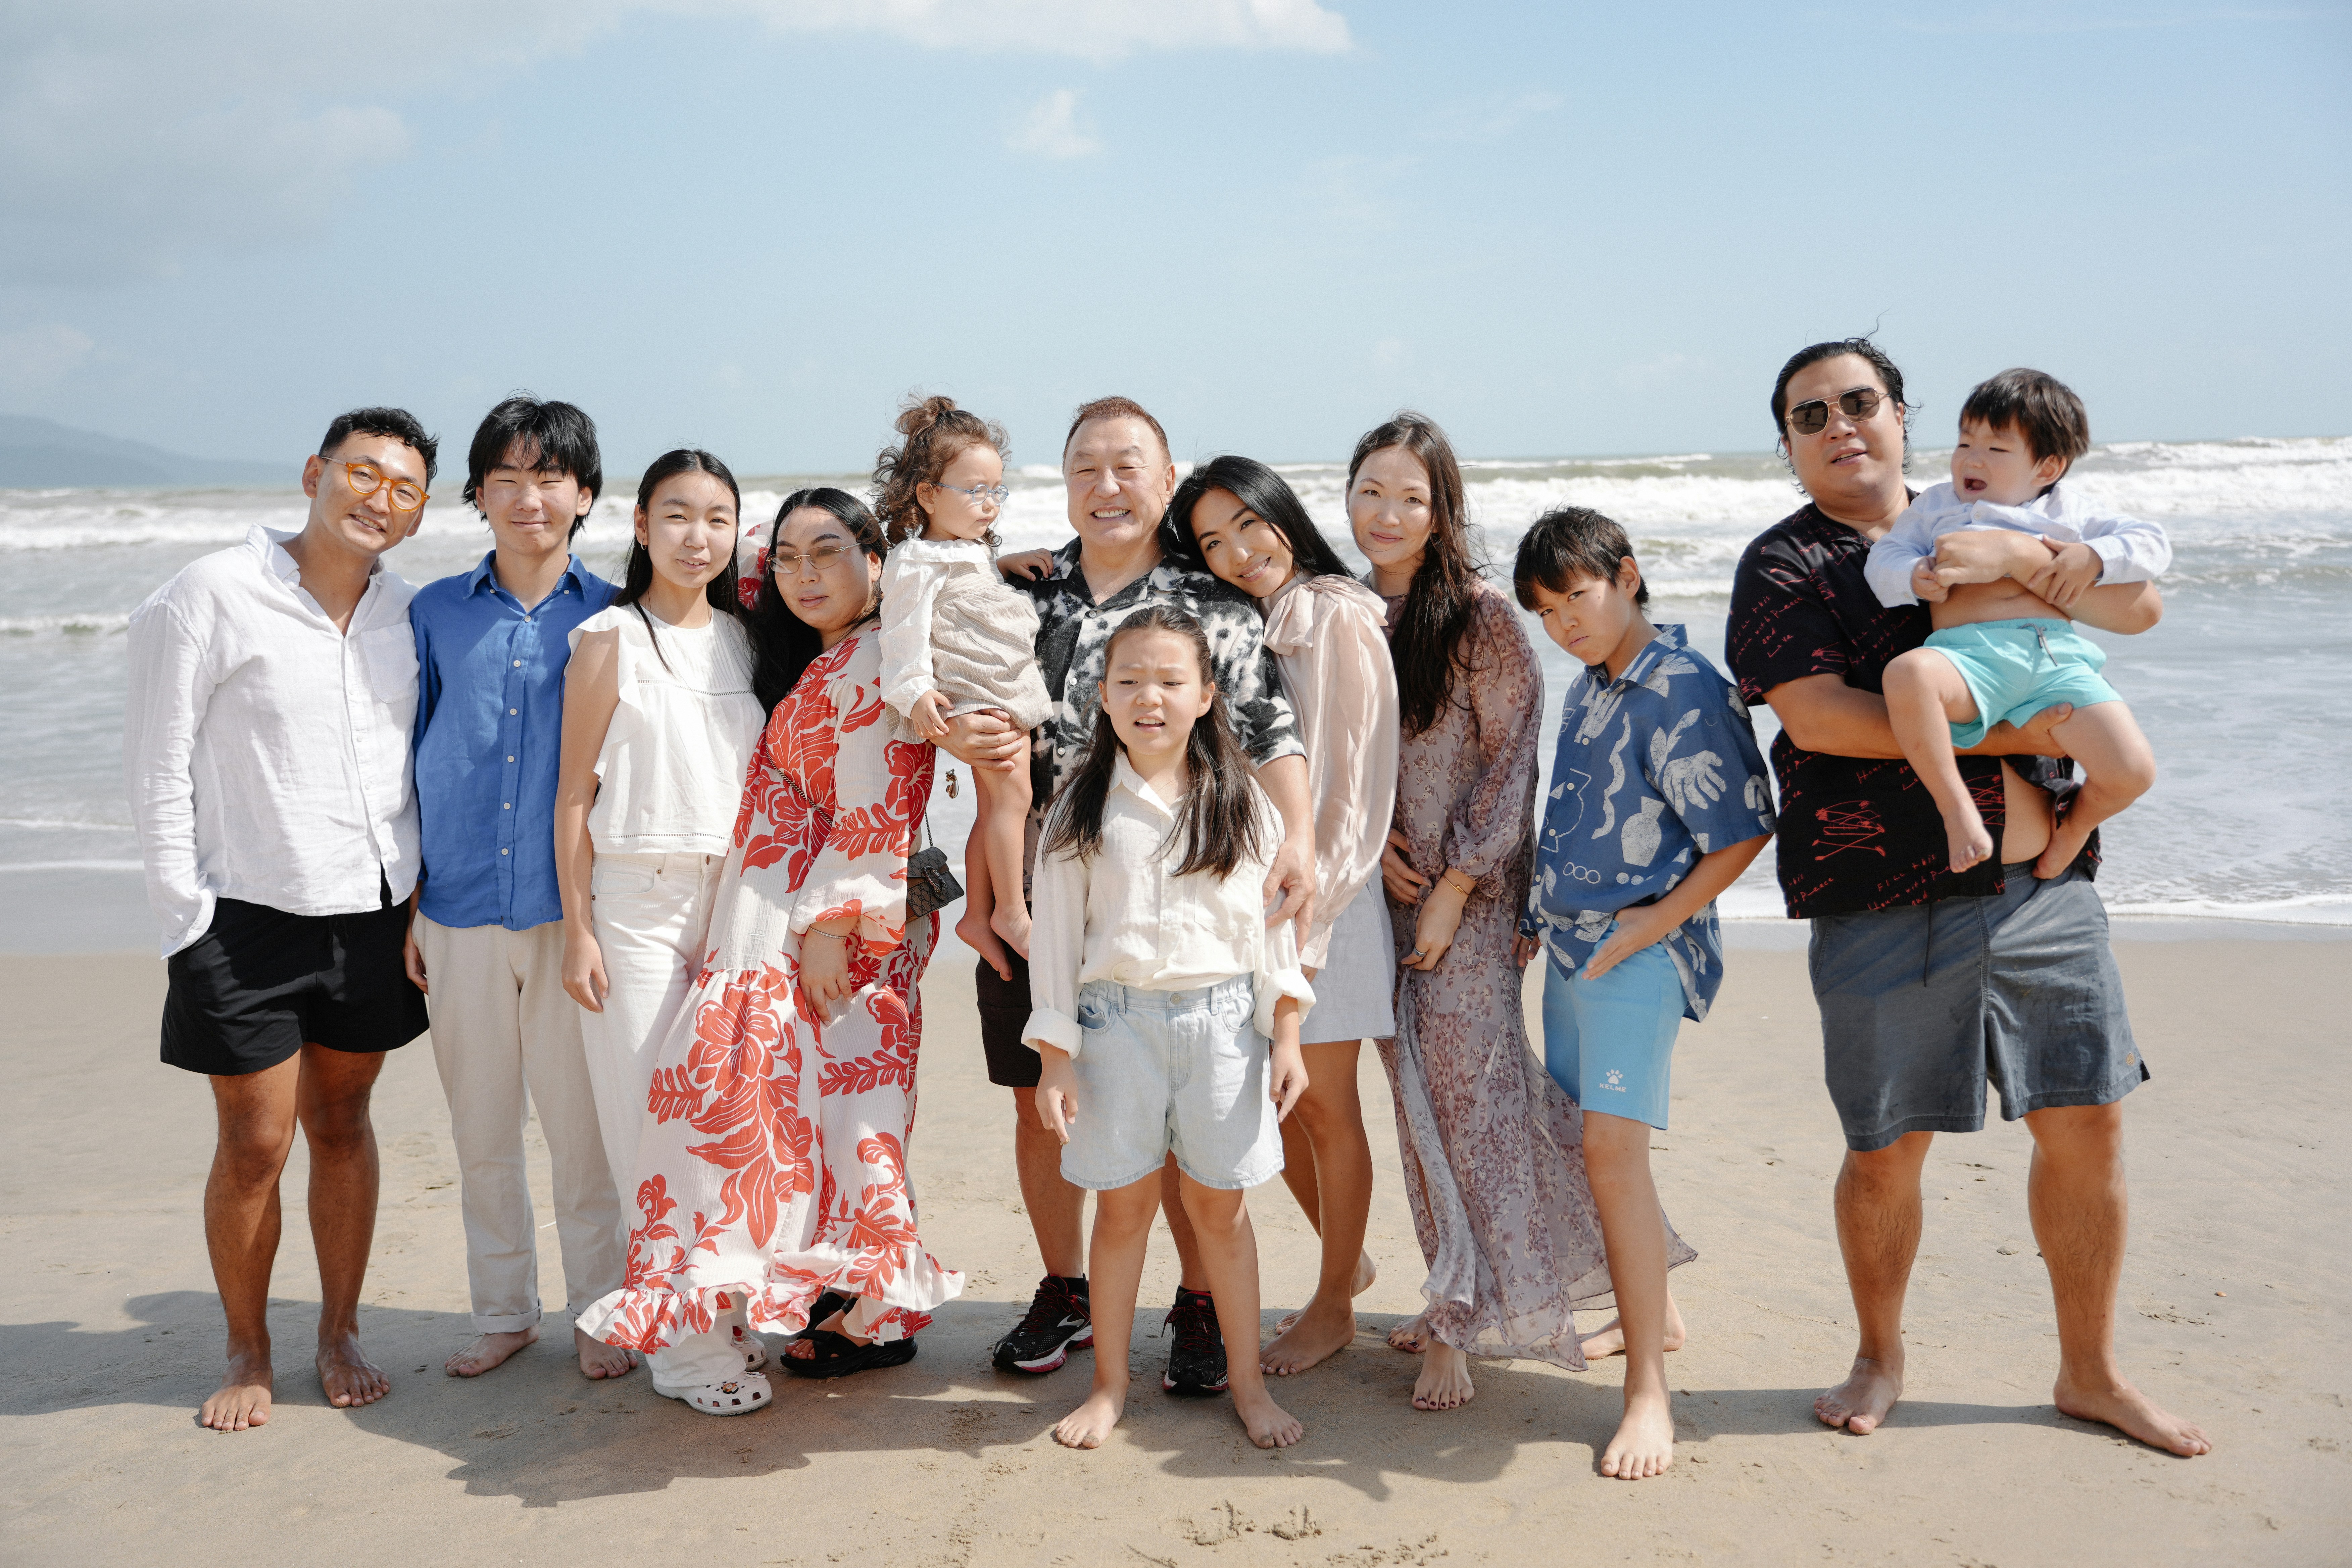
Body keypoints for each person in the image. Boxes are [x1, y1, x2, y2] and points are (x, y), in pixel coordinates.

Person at [1725, 336, 2208, 1457]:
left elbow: (2132, 606)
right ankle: (1877, 1355)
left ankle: (2088, 1372)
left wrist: (2070, 588)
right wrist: (2030, 728)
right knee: (1885, 1147)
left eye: (1859, 402)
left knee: (2084, 1123)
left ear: (1900, 413)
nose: (1839, 424)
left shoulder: (1996, 507)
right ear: (1789, 444)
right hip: (1877, 894)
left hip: (2042, 884)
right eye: (1810, 415)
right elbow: (1818, 721)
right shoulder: (1785, 565)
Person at [937, 396, 1314, 1396]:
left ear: (1164, 475)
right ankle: (1065, 1287)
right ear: (1062, 484)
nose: (1107, 487)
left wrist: (1303, 845)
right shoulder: (1013, 592)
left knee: (1194, 1119)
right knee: (1040, 1097)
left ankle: (1197, 1303)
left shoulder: (1214, 606)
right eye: (1085, 469)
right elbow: (952, 697)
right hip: (1041, 893)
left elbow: (1271, 734)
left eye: (1127, 467)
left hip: (1180, 899)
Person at [576, 489, 960, 1414]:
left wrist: (830, 927)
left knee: (828, 1114)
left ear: (878, 559)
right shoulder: (825, 653)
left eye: (829, 553)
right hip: (786, 919)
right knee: (824, 1117)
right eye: (787, 559)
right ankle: (853, 1307)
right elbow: (720, 558)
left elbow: (882, 800)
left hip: (835, 930)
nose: (803, 575)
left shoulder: (875, 661)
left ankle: (866, 1313)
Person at [1348, 411, 1674, 1414]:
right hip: (1380, 898)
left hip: (1476, 905)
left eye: (1413, 494)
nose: (1389, 512)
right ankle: (1611, 1275)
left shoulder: (1483, 615)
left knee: (1472, 1104)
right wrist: (1375, 852)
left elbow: (1513, 760)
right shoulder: (1349, 611)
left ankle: (1462, 1321)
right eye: (1371, 491)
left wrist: (1455, 885)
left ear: (1444, 509)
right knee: (1421, 1107)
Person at [124, 407, 438, 1431]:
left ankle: (338, 1329)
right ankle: (248, 1345)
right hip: (243, 915)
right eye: (363, 474)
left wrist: (418, 897)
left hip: (370, 914)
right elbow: (158, 760)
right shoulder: (213, 592)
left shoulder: (407, 616)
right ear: (315, 472)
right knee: (255, 1143)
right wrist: (185, 918)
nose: (378, 500)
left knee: (343, 1124)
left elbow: (418, 769)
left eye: (404, 489)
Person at [1511, 505, 1775, 1480]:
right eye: (1546, 611)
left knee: (1610, 1152)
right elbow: (1572, 813)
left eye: (1577, 596)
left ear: (1625, 574)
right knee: (1587, 1143)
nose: (1565, 622)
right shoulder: (1589, 686)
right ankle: (1654, 1313)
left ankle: (1648, 1397)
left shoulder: (1684, 685)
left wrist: (1655, 927)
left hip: (1640, 951)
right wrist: (1536, 922)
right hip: (1575, 952)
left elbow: (1745, 829)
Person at [1025, 607, 1313, 1451]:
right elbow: (1055, 941)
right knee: (1122, 1212)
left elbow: (1274, 935)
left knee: (1220, 1212)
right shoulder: (1081, 804)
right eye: (1129, 681)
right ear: (1103, 695)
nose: (1149, 697)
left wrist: (1286, 1033)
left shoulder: (1243, 800)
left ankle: (1249, 1384)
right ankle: (1110, 1385)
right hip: (1116, 1027)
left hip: (1226, 1025)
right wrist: (1055, 1059)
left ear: (1206, 694)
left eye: (1170, 680)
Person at [401, 397, 627, 1382]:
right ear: (480, 494)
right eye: (509, 478)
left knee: (582, 1133)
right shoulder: (433, 612)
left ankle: (598, 1311)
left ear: (583, 495)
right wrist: (410, 901)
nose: (529, 497)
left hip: (575, 914)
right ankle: (502, 1311)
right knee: (483, 1127)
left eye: (550, 479)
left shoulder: (619, 613)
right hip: (455, 904)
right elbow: (402, 754)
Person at [1166, 455, 1397, 1377]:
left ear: (1282, 515)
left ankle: (1335, 1300)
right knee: (1283, 1105)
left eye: (1246, 527)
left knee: (1327, 1108)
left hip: (1324, 899)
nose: (1235, 553)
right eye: (1212, 543)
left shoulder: (1332, 613)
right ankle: (1350, 1260)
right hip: (1259, 907)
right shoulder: (1245, 623)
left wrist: (1316, 914)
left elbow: (1350, 783)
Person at [554, 448, 767, 1383]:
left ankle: (719, 1313)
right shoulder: (609, 640)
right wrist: (580, 930)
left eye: (718, 518)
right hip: (636, 905)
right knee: (649, 1124)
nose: (698, 536)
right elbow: (572, 797)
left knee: (727, 1122)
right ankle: (680, 1351)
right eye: (677, 515)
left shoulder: (750, 641)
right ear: (641, 526)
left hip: (737, 904)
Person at [1866, 369, 2165, 877]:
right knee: (1907, 675)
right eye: (1965, 443)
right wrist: (1913, 576)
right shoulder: (1938, 506)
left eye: (1996, 450)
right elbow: (1884, 560)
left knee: (2133, 771)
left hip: (2054, 663)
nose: (1971, 459)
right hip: (1968, 660)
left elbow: (2151, 542)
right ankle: (1956, 809)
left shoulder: (2070, 512)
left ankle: (2075, 824)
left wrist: (2095, 557)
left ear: (2048, 466)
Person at [870, 395, 1051, 973]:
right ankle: (1011, 914)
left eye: (997, 490)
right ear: (927, 495)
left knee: (999, 802)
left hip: (998, 684)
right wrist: (917, 694)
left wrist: (1002, 563)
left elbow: (963, 587)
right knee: (1013, 798)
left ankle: (978, 914)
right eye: (975, 491)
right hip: (976, 693)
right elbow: (902, 634)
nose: (989, 504)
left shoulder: (962, 553)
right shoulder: (913, 559)